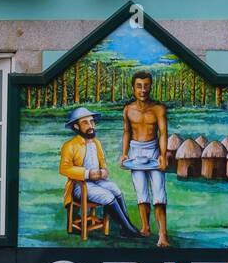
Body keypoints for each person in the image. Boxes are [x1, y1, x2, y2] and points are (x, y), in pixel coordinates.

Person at [59, 106, 139, 237]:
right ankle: (128, 229)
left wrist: (104, 171)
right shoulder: (70, 145)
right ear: (77, 127)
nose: (91, 125)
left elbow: (102, 162)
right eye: (85, 123)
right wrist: (87, 173)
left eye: (92, 122)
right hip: (80, 186)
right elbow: (64, 168)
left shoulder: (96, 143)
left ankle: (125, 227)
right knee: (107, 196)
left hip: (98, 181)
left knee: (115, 189)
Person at [121, 71, 169, 247]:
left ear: (151, 86)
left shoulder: (158, 109)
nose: (143, 90)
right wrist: (124, 153)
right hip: (135, 152)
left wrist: (163, 155)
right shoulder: (128, 110)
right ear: (133, 88)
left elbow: (163, 133)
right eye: (139, 86)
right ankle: (145, 227)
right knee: (141, 192)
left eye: (146, 86)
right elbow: (126, 132)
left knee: (159, 193)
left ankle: (163, 234)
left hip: (153, 150)